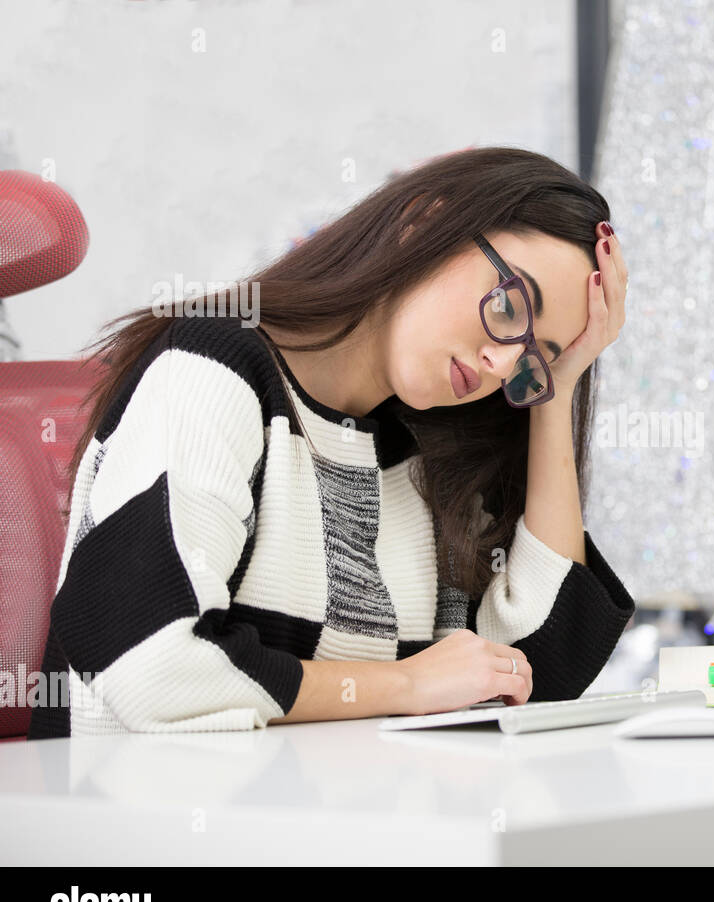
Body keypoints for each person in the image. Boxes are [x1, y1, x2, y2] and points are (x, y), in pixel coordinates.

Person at [26, 146, 635, 738]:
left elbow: (533, 674)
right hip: (139, 821)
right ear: (422, 224)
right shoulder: (213, 368)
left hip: (329, 823)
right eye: (509, 306)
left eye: (534, 360)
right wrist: (405, 685)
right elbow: (151, 667)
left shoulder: (420, 450)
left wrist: (558, 392)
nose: (504, 364)